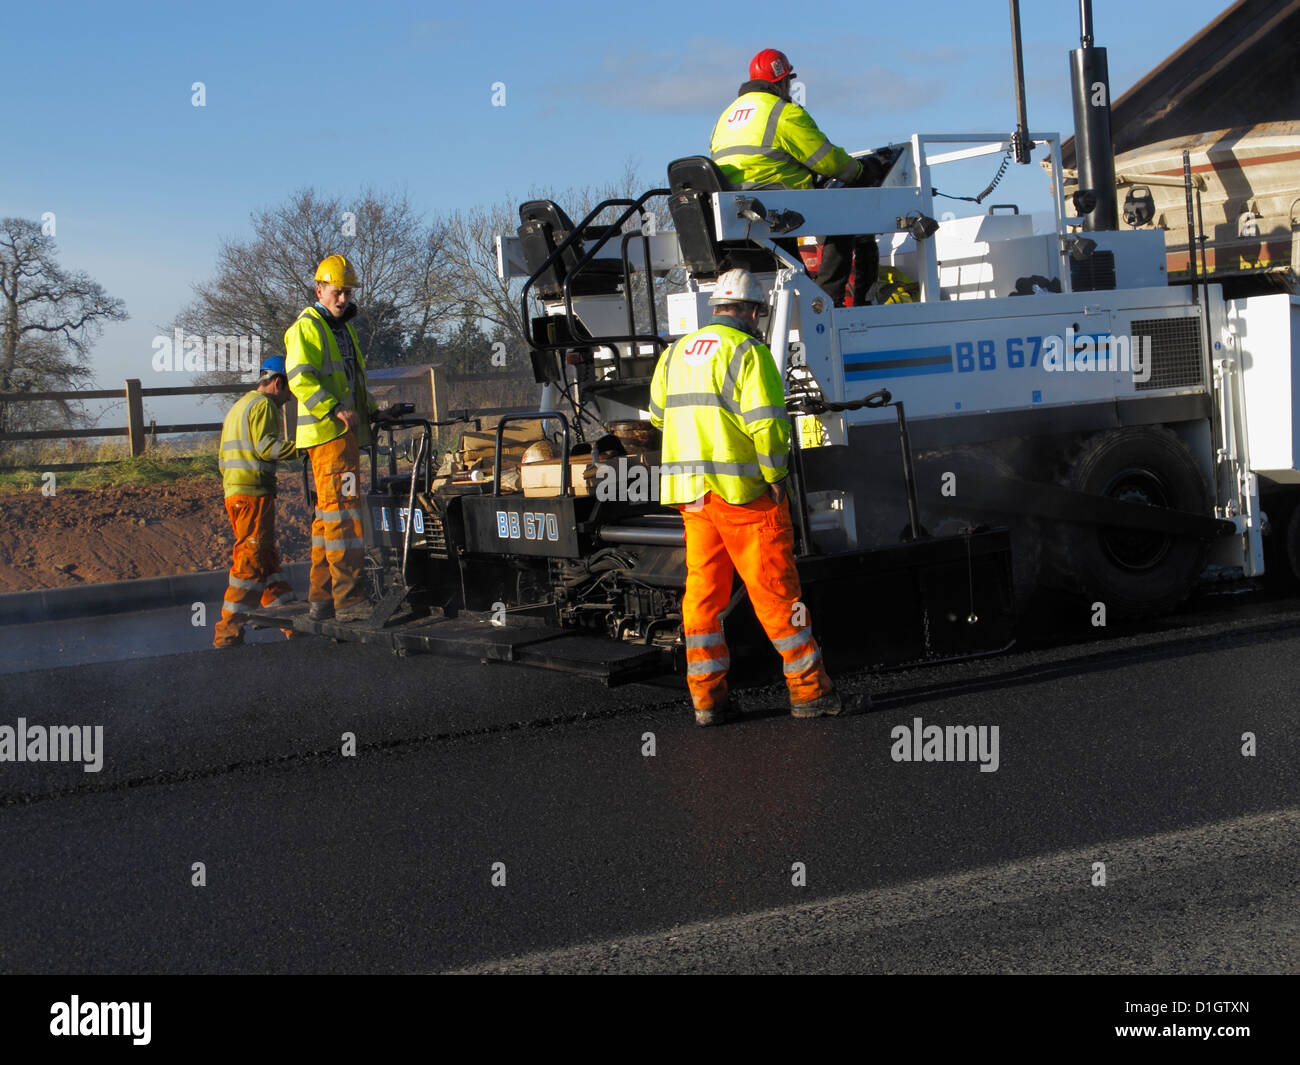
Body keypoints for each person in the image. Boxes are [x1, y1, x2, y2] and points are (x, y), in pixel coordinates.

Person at [648, 268, 847, 725]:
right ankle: (810, 692)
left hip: (693, 499)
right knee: (777, 595)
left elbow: (660, 418)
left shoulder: (675, 353)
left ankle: (707, 701)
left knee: (702, 598)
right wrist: (777, 476)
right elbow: (768, 426)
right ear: (753, 311)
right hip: (743, 496)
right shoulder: (750, 353)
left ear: (717, 308)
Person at [709, 48, 880, 307]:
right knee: (844, 213)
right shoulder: (783, 112)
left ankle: (815, 294)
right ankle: (827, 299)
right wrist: (861, 170)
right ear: (783, 81)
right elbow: (829, 161)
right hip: (774, 201)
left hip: (737, 210)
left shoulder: (727, 116)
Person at [284, 254, 379, 623]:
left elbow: (353, 381)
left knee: (328, 521)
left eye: (348, 293)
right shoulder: (307, 328)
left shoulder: (343, 330)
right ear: (319, 289)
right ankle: (350, 600)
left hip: (339, 436)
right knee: (344, 518)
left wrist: (372, 409)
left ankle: (322, 598)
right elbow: (300, 378)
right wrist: (335, 409)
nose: (344, 299)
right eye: (338, 292)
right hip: (329, 436)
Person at [213, 355, 301, 647]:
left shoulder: (239, 406)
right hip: (254, 494)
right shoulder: (264, 405)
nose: (288, 399)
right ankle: (228, 632)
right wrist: (304, 449)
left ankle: (293, 622)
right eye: (289, 391)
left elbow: (224, 459)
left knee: (265, 560)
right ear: (278, 383)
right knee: (250, 562)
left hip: (235, 494)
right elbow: (267, 448)